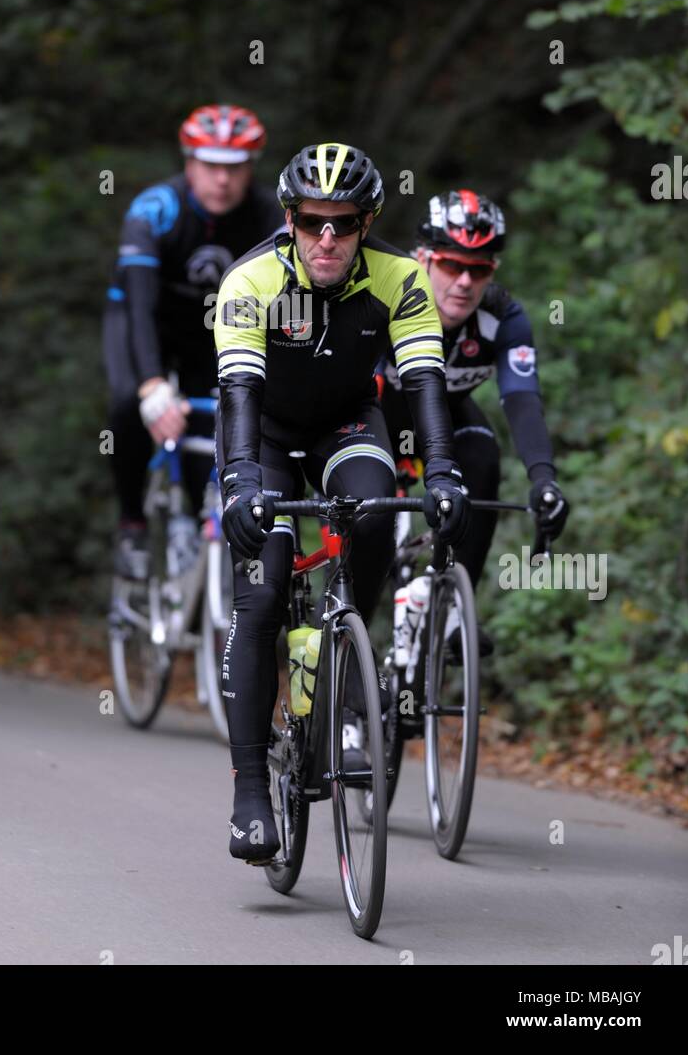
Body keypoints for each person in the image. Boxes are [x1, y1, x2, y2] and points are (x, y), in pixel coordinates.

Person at [213, 142, 471, 864]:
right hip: (260, 435)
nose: (327, 238)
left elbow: (422, 382)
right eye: (313, 222)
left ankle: (349, 694)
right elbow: (238, 392)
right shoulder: (248, 280)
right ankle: (248, 793)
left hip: (347, 426)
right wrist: (238, 483)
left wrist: (443, 473)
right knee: (260, 599)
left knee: (377, 514)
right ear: (290, 219)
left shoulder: (400, 279)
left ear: (366, 224)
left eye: (345, 224)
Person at [380, 189, 570, 656]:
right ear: (422, 258)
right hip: (375, 420)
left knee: (483, 456)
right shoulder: (383, 297)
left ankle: (450, 609)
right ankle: (348, 671)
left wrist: (544, 480)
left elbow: (522, 400)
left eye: (480, 268)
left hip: (445, 420)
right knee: (369, 536)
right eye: (451, 264)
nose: (464, 281)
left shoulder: (502, 318)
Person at [102, 105, 282, 579]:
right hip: (147, 322)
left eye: (235, 167)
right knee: (128, 405)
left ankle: (197, 518)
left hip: (218, 329)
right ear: (189, 162)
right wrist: (151, 385)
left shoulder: (271, 217)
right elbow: (139, 306)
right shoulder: (155, 211)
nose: (222, 179)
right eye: (210, 165)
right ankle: (132, 523)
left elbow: (283, 308)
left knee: (222, 419)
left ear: (251, 168)